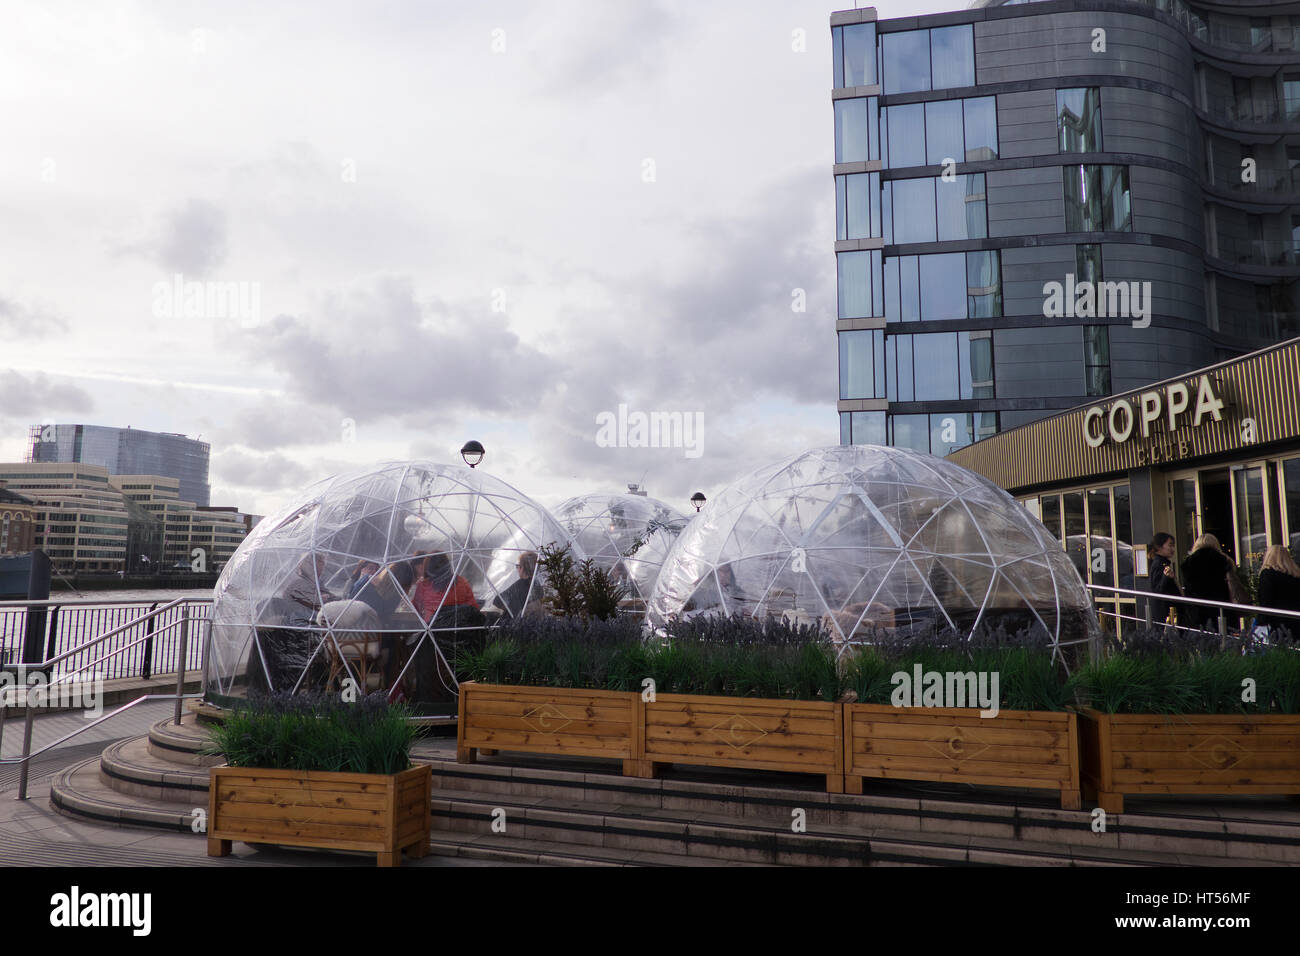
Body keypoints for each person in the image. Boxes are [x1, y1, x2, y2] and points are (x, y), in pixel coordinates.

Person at [1180, 534, 1236, 630]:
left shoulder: (1188, 562)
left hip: (1198, 607)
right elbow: (1230, 582)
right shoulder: (1223, 559)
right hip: (1221, 606)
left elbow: (1188, 586)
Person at [413, 552, 479, 621]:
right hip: (457, 627)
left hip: (432, 628)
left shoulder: (423, 585)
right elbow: (473, 607)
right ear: (447, 565)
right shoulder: (462, 582)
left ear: (428, 567)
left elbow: (416, 608)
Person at [1257, 545, 1300, 638]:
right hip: (1295, 617)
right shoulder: (1296, 575)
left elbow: (1266, 599)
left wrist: (1261, 620)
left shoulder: (1267, 574)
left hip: (1277, 620)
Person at [1146, 532, 1182, 626]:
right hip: (1165, 612)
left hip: (1169, 610)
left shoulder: (1163, 562)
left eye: (1173, 545)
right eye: (1170, 545)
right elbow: (1157, 590)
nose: (1173, 549)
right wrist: (1166, 577)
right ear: (1159, 547)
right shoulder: (1158, 564)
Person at [492, 551, 538, 619]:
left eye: (518, 566)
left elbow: (497, 601)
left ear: (523, 568)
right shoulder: (537, 585)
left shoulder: (519, 586)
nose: (517, 569)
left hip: (513, 624)